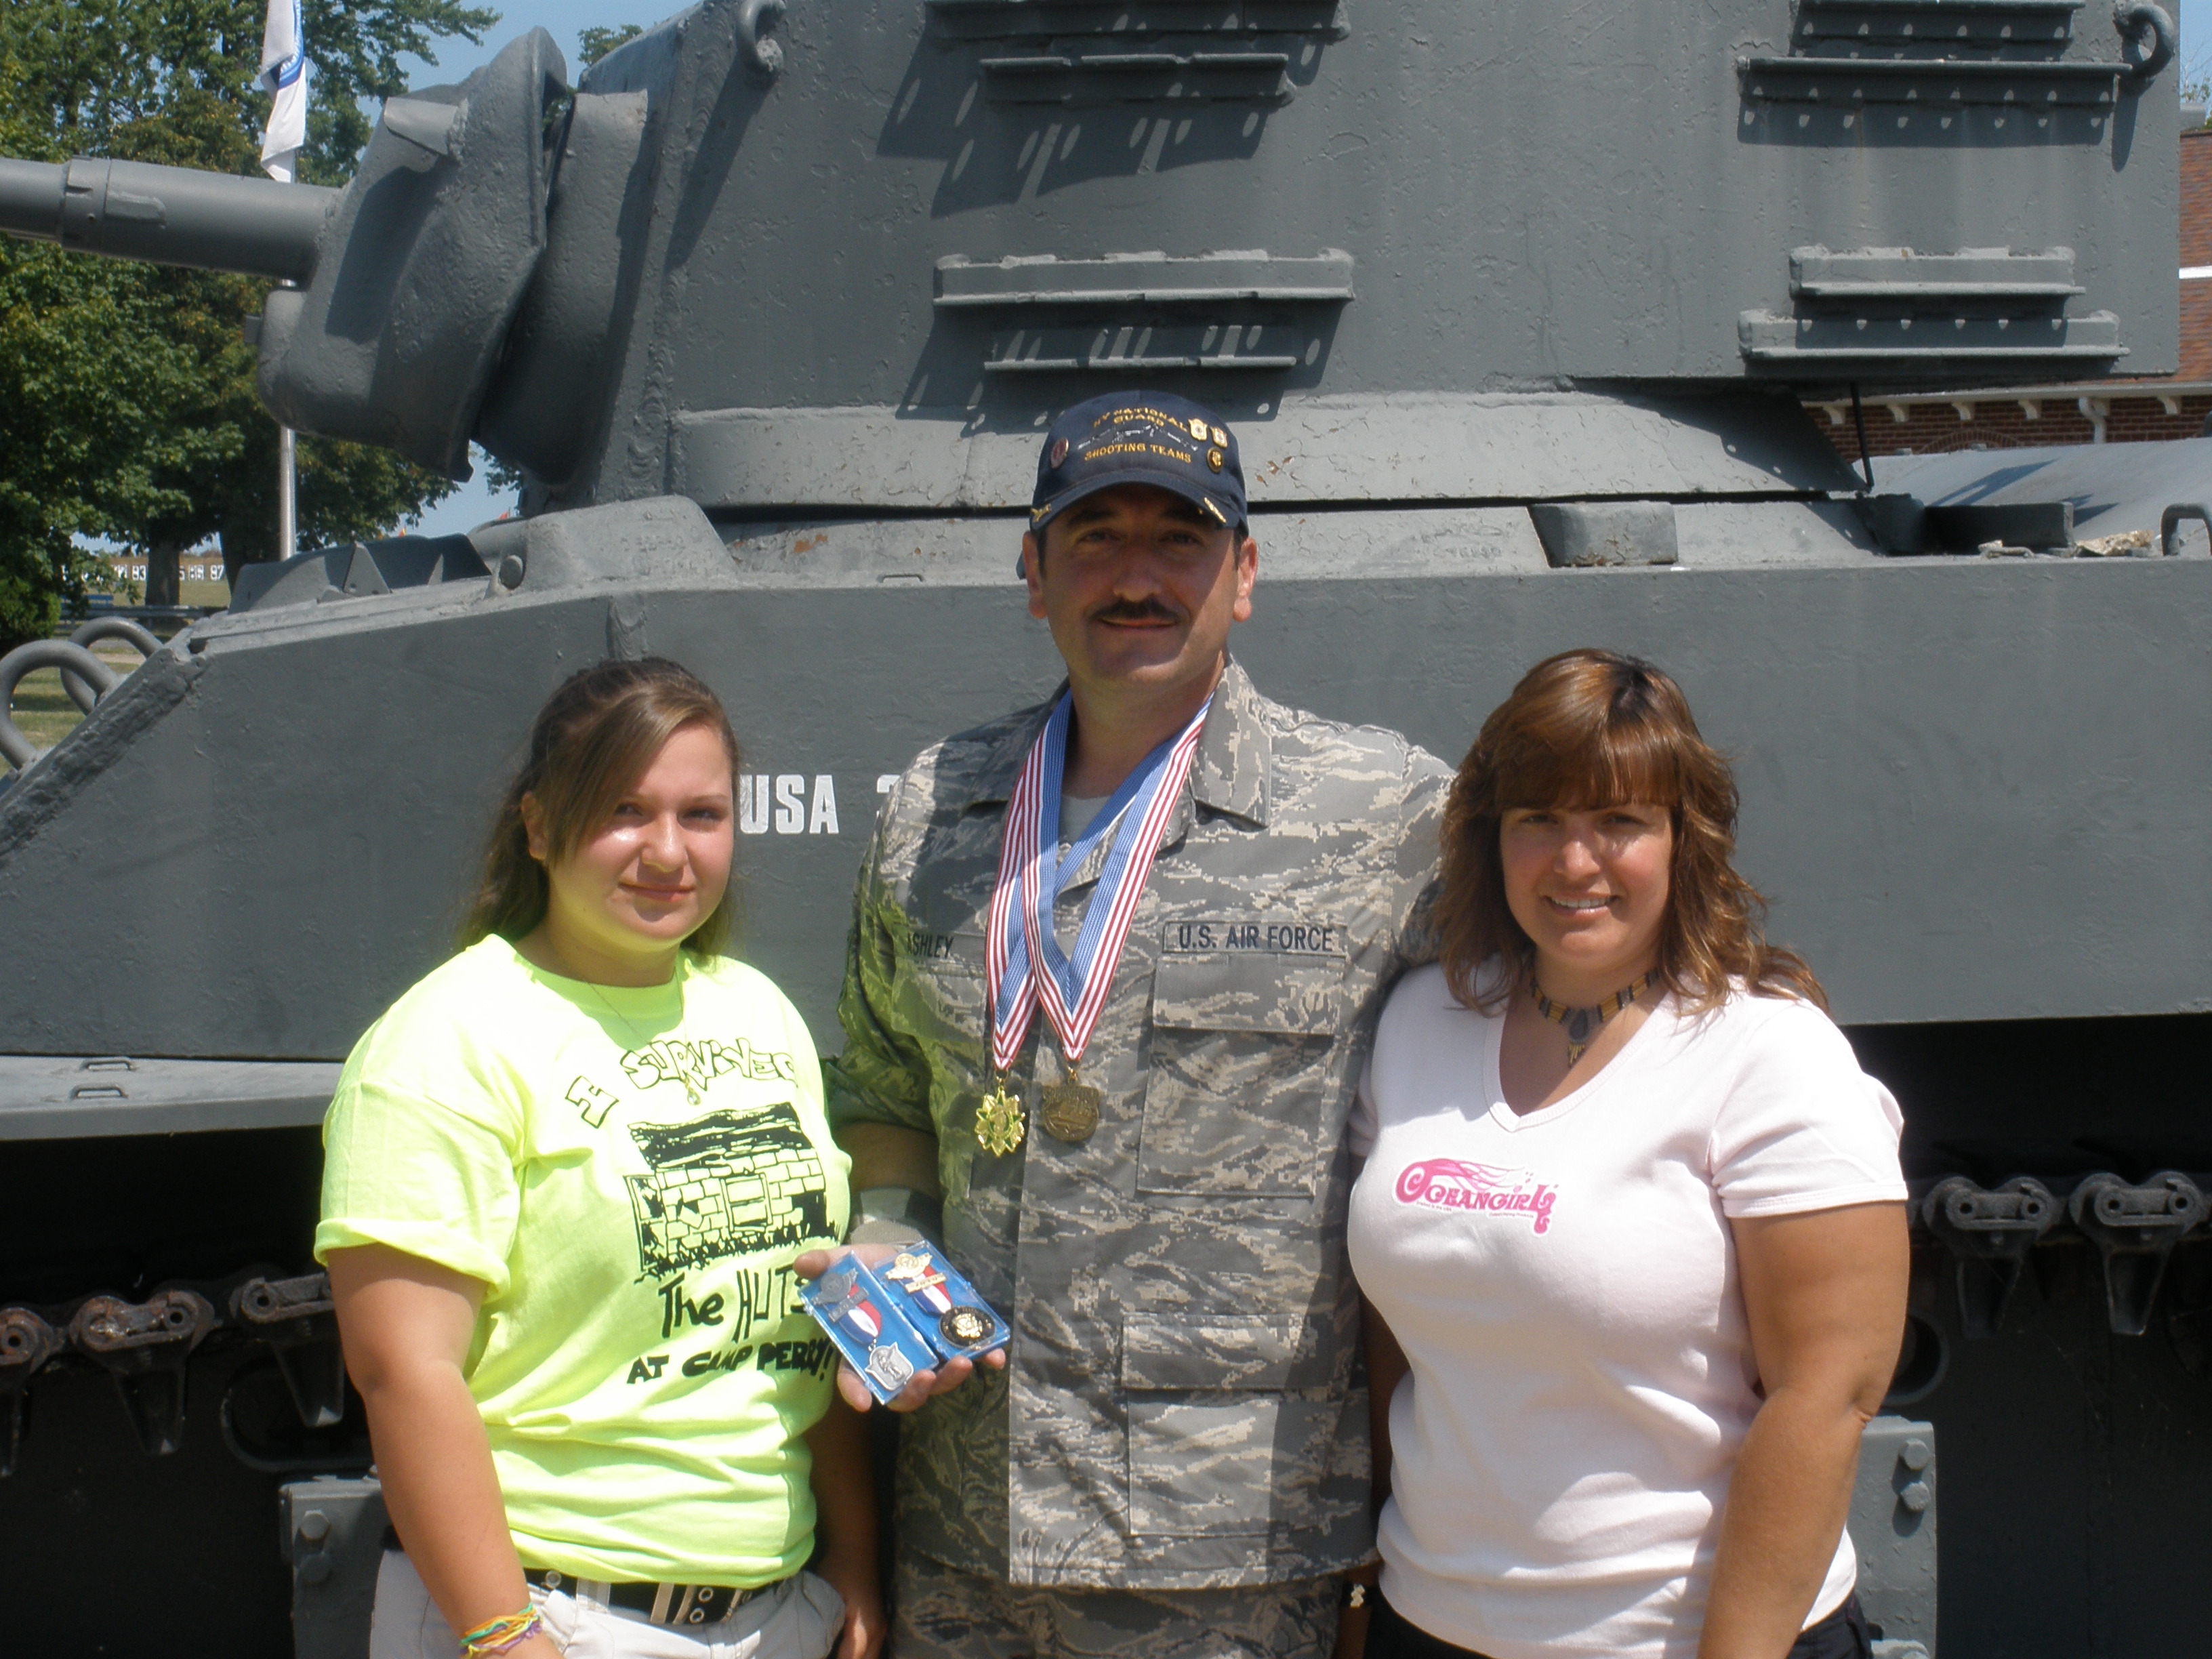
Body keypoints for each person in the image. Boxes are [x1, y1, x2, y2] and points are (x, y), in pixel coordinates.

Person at [821, 390, 1450, 1659]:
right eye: (1096, 536)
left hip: (1229, 1545)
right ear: (1034, 572)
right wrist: (886, 1243)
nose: (1138, 578)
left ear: (1247, 572)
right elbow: (887, 1099)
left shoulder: (1384, 816)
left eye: (1181, 538)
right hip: (966, 1525)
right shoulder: (930, 813)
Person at [1347, 649, 1910, 1659]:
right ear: (1492, 840)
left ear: (1682, 841)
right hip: (1428, 1623)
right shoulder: (1421, 1023)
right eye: (1539, 822)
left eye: (1619, 822)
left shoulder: (1767, 1055)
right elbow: (1402, 1338)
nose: (1576, 864)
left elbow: (1828, 1395)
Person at [317, 657, 880, 1659]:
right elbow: (403, 1370)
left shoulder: (759, 1014)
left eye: (702, 815)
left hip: (773, 1617)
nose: (667, 851)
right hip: (552, 1617)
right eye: (625, 810)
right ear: (538, 826)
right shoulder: (447, 1041)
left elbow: (805, 1319)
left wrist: (854, 1562)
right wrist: (504, 1636)